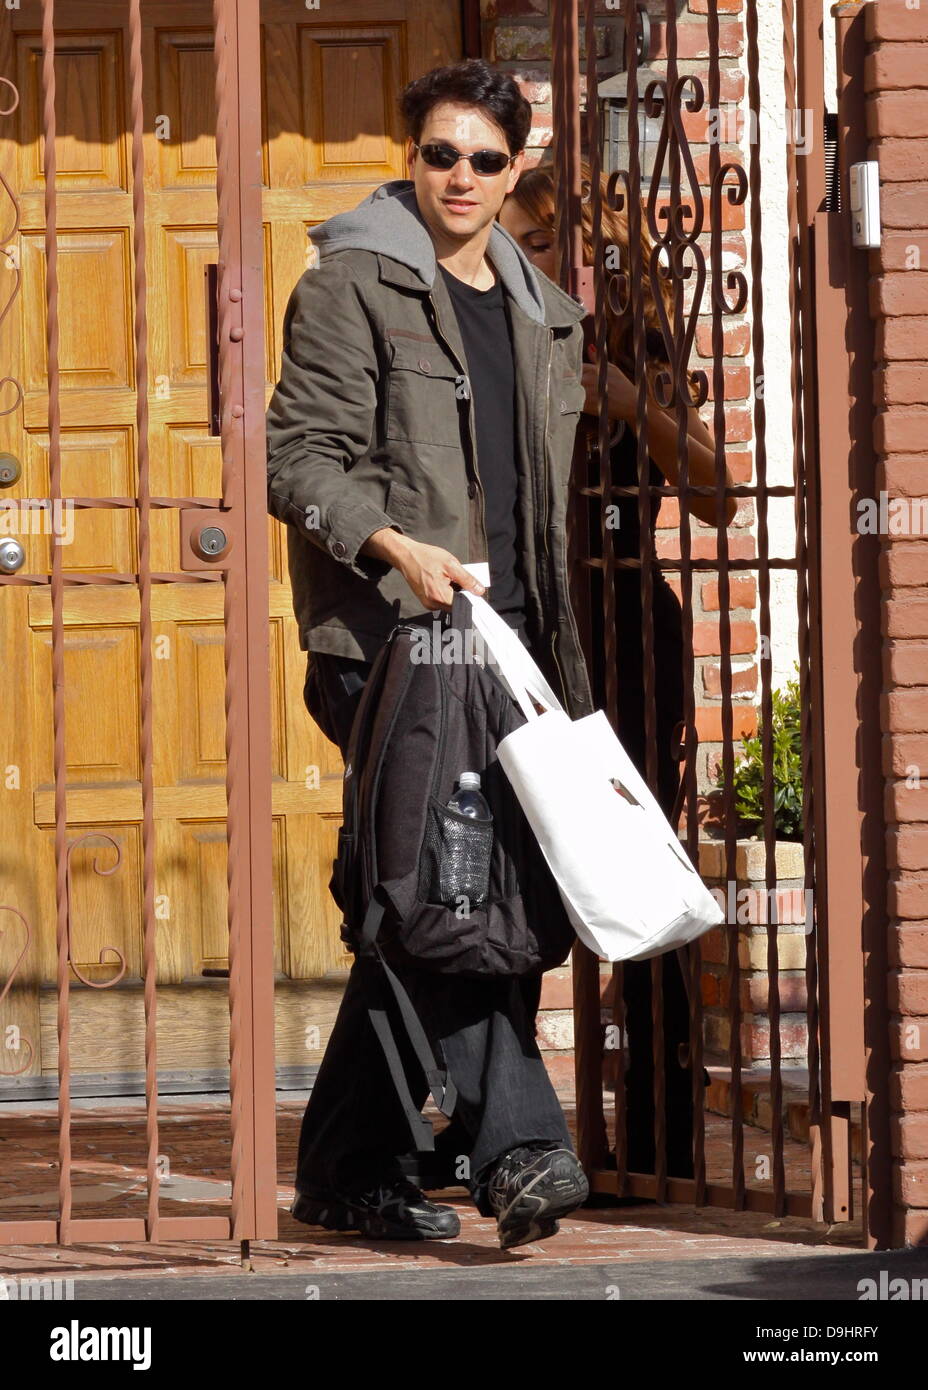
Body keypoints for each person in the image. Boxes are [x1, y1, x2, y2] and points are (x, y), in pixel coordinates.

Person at [265, 61, 596, 1249]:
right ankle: (520, 1146)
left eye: (485, 160)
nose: (459, 177)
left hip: (508, 650)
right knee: (444, 891)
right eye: (439, 154)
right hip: (395, 643)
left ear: (517, 172)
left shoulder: (541, 310)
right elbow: (295, 460)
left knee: (445, 901)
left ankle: (350, 1165)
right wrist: (396, 547)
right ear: (411, 156)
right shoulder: (351, 282)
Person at [499, 161, 736, 1183]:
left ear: (598, 260)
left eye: (547, 243)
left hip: (629, 633)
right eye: (522, 242)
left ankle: (655, 1126)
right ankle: (501, 1129)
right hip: (524, 635)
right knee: (503, 867)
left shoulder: (642, 352)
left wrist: (630, 402)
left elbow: (721, 494)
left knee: (637, 866)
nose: (530, 259)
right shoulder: (494, 336)